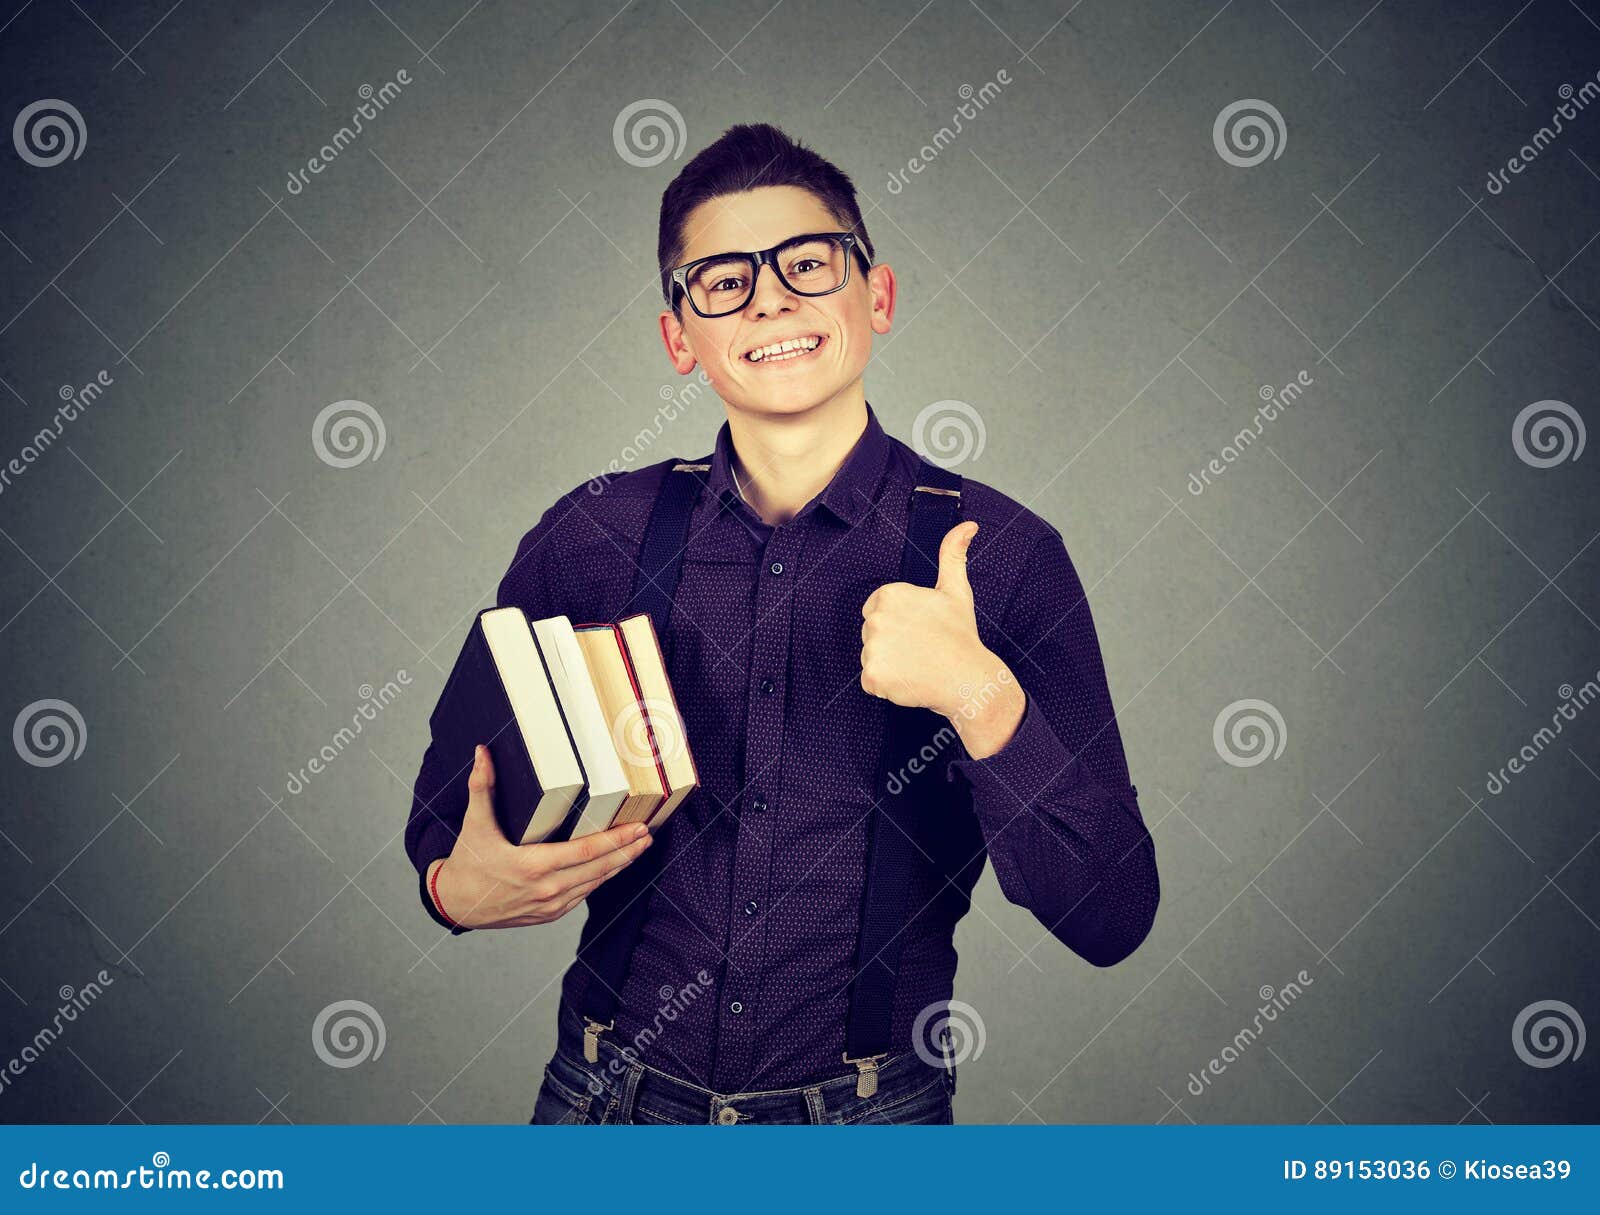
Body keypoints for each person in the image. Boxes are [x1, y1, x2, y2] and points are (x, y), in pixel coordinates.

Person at [404, 122, 1160, 1125]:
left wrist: (979, 697)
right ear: (680, 338)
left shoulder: (1002, 556)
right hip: (603, 1107)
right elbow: (444, 814)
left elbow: (1111, 914)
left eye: (806, 263)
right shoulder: (592, 537)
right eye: (725, 281)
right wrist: (454, 891)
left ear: (876, 296)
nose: (769, 299)